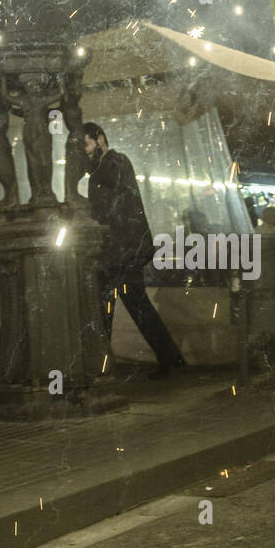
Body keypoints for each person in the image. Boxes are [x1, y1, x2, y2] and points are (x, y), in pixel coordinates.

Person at [83, 123, 185, 379]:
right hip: (121, 251)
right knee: (133, 307)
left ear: (100, 139)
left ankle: (102, 366)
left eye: (86, 144)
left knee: (109, 309)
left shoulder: (113, 165)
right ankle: (169, 359)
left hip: (119, 252)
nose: (83, 152)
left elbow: (111, 208)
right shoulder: (110, 166)